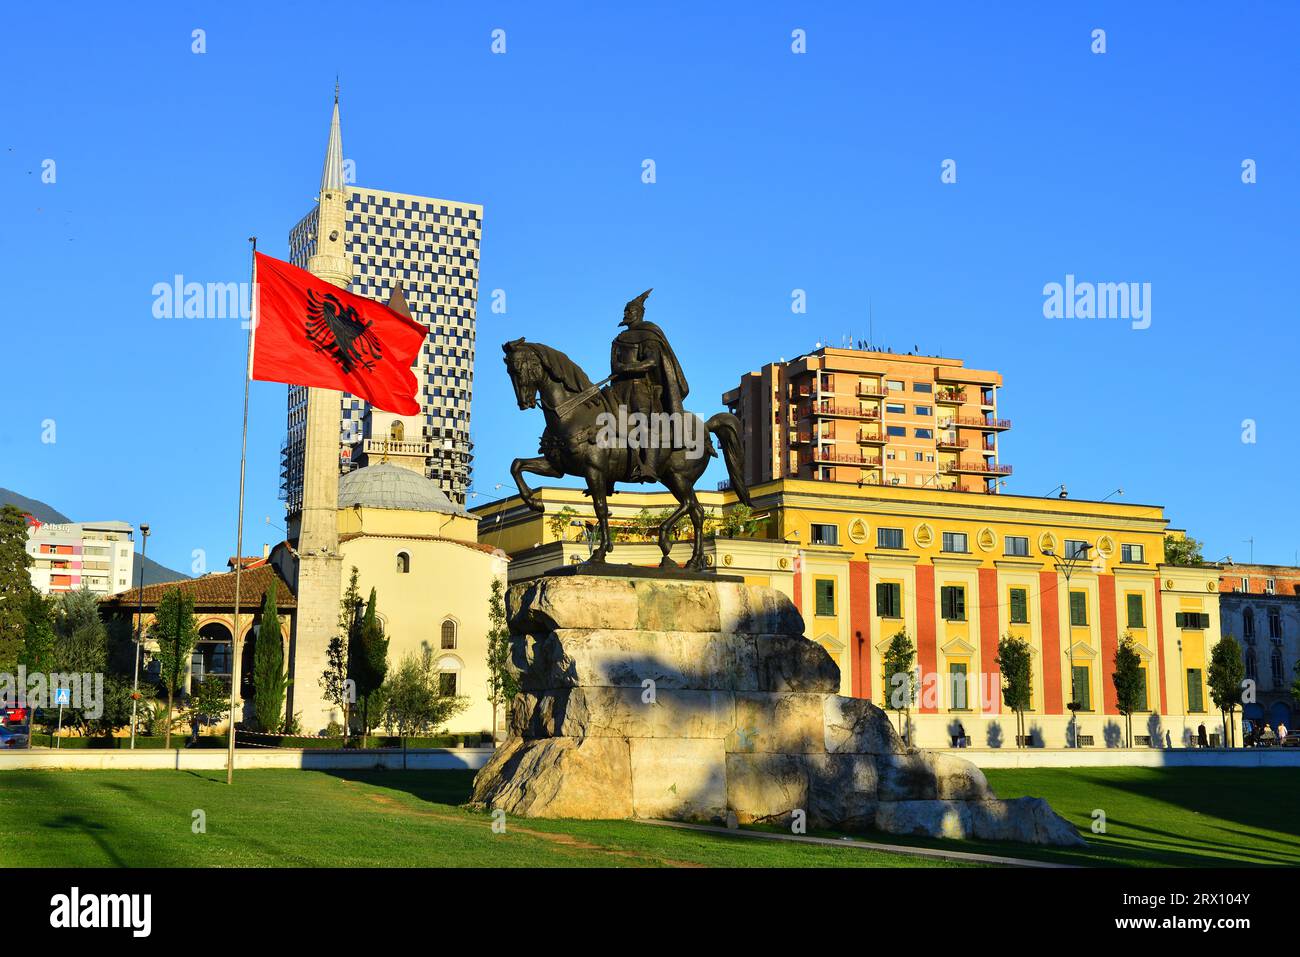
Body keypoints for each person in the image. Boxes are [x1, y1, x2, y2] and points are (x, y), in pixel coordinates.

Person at [607, 289, 690, 483]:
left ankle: (650, 467)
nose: (626, 314)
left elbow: (652, 362)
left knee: (643, 424)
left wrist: (626, 368)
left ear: (639, 313)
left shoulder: (648, 335)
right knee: (603, 423)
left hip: (640, 390)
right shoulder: (619, 339)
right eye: (625, 311)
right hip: (618, 388)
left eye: (630, 311)